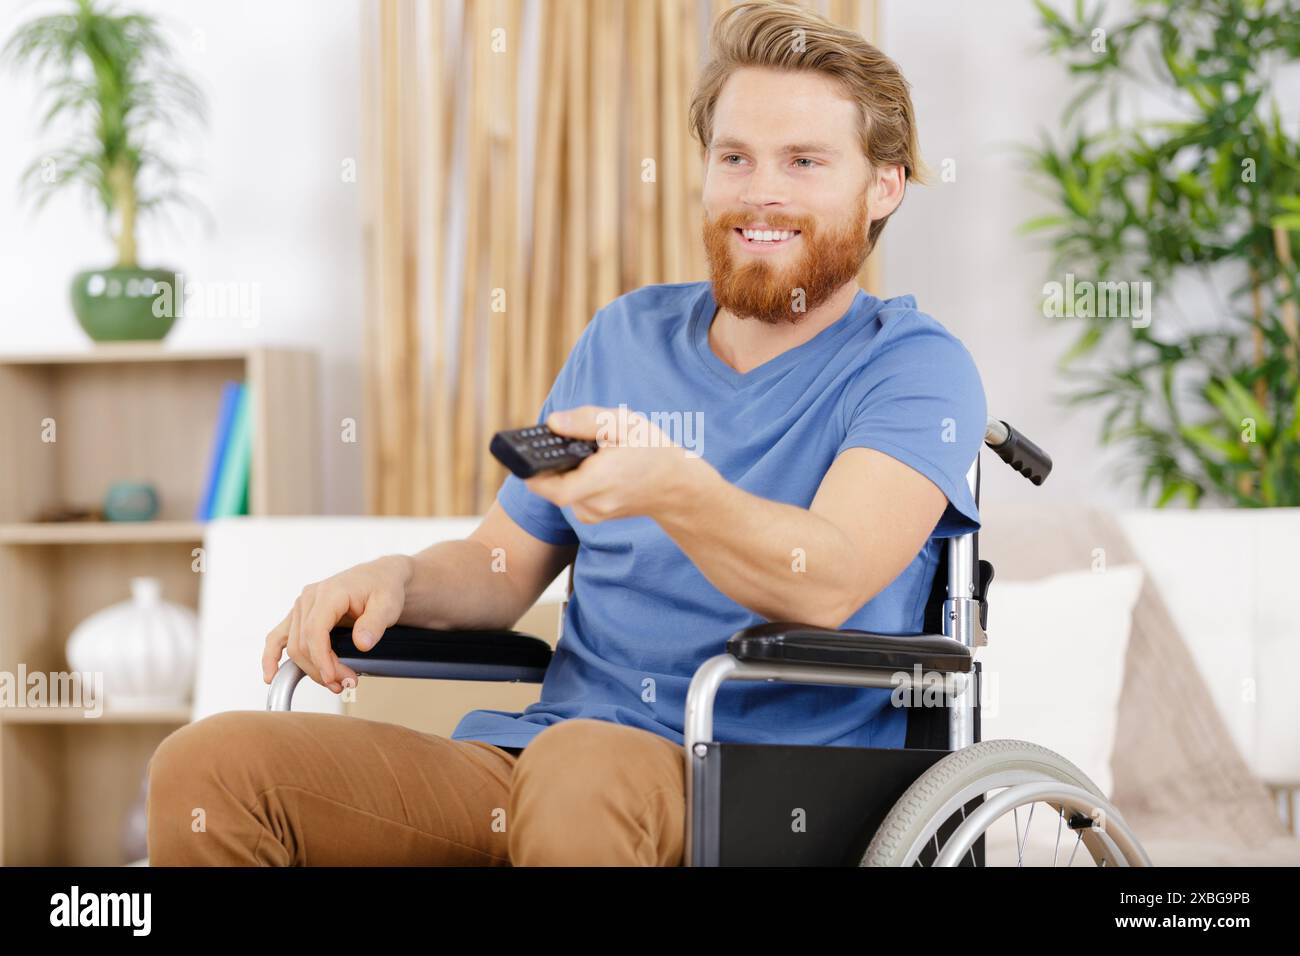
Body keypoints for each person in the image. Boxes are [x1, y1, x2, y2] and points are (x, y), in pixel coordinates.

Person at [146, 0, 986, 867]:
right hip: (545, 760)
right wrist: (397, 576)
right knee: (213, 767)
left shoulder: (916, 367)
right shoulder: (627, 335)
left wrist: (671, 485)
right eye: (734, 157)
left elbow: (828, 580)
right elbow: (500, 568)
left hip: (769, 794)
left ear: (882, 185)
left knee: (584, 770)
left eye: (804, 161)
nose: (759, 192)